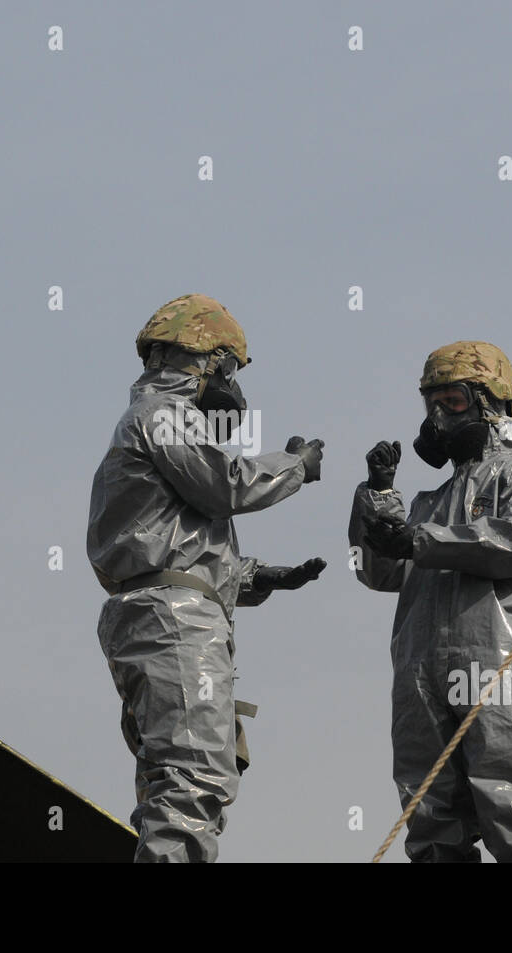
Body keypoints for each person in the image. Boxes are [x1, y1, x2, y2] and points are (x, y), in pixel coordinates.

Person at [88, 293, 326, 862]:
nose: (234, 385)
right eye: (231, 368)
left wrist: (254, 578)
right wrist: (295, 466)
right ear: (209, 359)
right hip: (174, 621)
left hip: (157, 613)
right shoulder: (162, 417)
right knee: (195, 777)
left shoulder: (145, 423)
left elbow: (166, 542)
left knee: (169, 779)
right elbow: (224, 486)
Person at [349, 341, 512, 862]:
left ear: (488, 404)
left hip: (500, 669)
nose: (436, 418)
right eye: (429, 404)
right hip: (420, 678)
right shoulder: (427, 503)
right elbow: (376, 572)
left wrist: (420, 541)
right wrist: (378, 498)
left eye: (449, 401)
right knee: (430, 822)